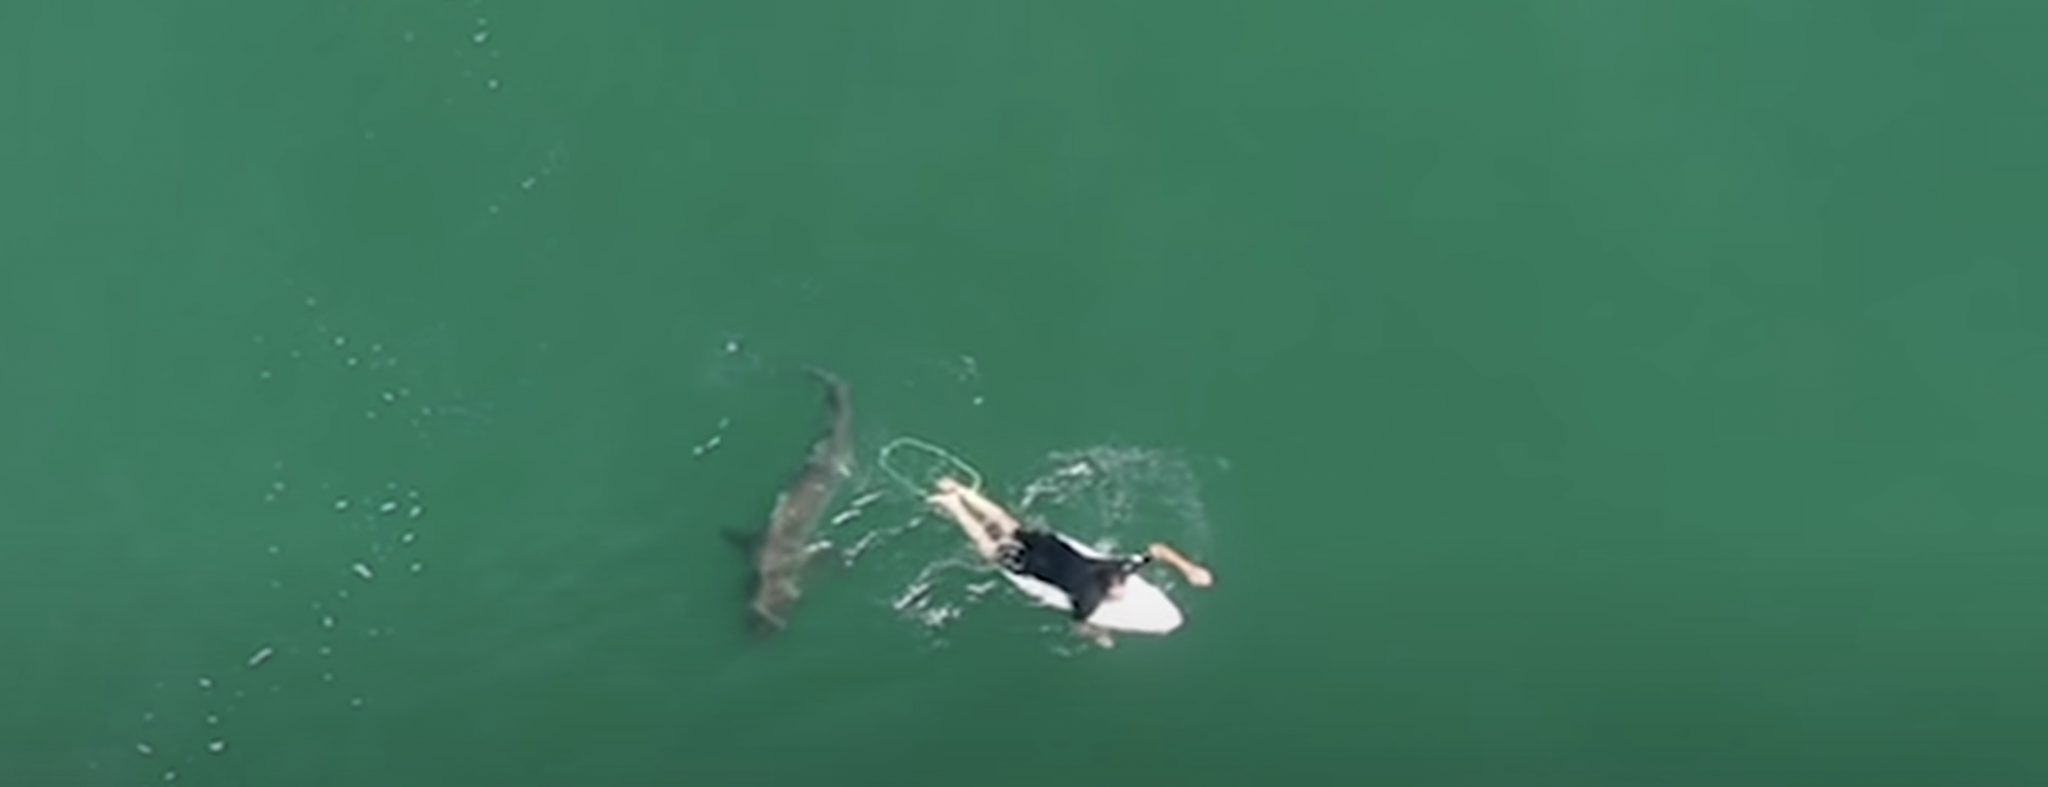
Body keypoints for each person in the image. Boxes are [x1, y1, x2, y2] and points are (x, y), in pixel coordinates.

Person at [925, 476, 1213, 647]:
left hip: (1051, 547)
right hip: (1032, 566)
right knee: (989, 545)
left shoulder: (1115, 568)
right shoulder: (1087, 601)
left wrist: (1189, 569)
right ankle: (954, 504)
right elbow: (1081, 623)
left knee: (1007, 524)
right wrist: (1100, 635)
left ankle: (961, 490)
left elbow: (1158, 550)